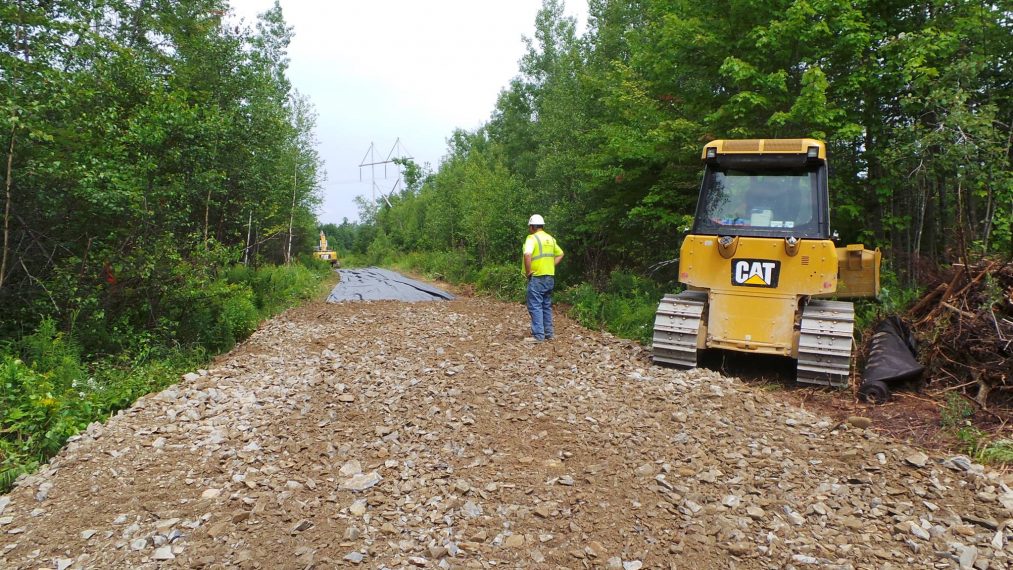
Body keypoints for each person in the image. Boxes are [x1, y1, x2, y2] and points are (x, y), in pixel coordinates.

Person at [522, 214, 564, 342]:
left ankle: (538, 336)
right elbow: (561, 254)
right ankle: (549, 334)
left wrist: (529, 272)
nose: (529, 229)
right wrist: (551, 265)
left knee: (535, 306)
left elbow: (527, 254)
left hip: (537, 277)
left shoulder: (531, 238)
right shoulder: (550, 239)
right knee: (546, 305)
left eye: (530, 226)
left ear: (533, 226)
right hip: (549, 276)